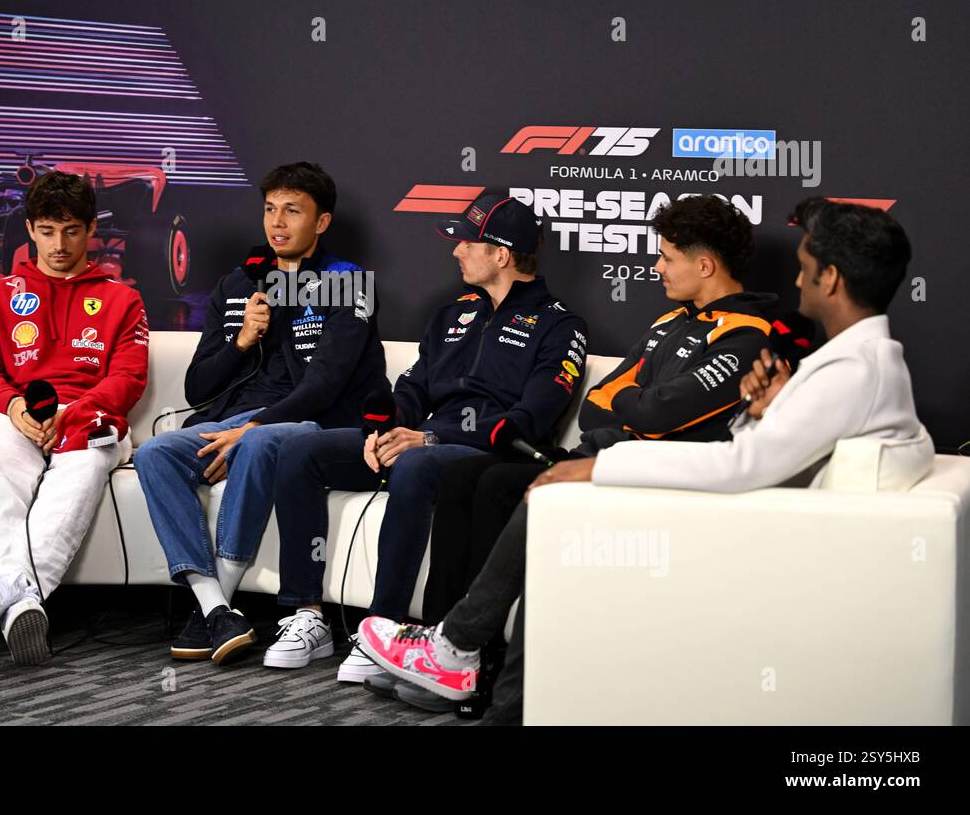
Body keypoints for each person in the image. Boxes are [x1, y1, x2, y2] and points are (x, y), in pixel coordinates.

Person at [358, 196, 933, 724]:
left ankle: (458, 650)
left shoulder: (847, 366)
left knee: (548, 496)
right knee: (523, 494)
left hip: (707, 512)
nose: (798, 278)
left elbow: (735, 463)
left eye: (807, 265)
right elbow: (610, 406)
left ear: (831, 277)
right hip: (713, 497)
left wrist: (603, 464)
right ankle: (478, 674)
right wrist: (766, 411)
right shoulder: (861, 360)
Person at [388, 194, 778, 712]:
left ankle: (475, 661)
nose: (656, 267)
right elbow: (597, 405)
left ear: (704, 265)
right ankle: (444, 654)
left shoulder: (749, 335)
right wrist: (636, 403)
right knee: (469, 478)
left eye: (666, 257)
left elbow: (662, 415)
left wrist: (634, 403)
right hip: (593, 455)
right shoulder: (666, 324)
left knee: (501, 485)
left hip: (644, 476)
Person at [263, 193, 586, 683]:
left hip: (480, 453)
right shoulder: (451, 313)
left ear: (501, 254)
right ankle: (307, 613)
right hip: (423, 439)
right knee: (301, 450)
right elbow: (412, 389)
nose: (456, 250)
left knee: (413, 464)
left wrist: (427, 439)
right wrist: (383, 430)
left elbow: (529, 419)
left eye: (467, 242)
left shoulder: (560, 325)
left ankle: (382, 627)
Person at [134, 162, 388, 665]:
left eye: (293, 211)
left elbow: (322, 387)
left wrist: (251, 427)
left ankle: (219, 599)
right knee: (157, 453)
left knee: (258, 441)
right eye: (271, 209)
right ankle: (216, 611)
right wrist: (243, 340)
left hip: (316, 422)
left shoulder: (348, 284)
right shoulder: (237, 283)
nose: (278, 222)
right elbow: (198, 385)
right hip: (238, 416)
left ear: (321, 222)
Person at [0, 171, 148, 666]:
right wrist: (15, 406)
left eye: (70, 230)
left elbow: (128, 381)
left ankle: (10, 588)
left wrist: (74, 411)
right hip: (19, 414)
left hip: (93, 416)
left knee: (86, 465)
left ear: (91, 230)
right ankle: (23, 605)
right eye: (47, 231)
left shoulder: (122, 298)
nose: (59, 244)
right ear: (30, 229)